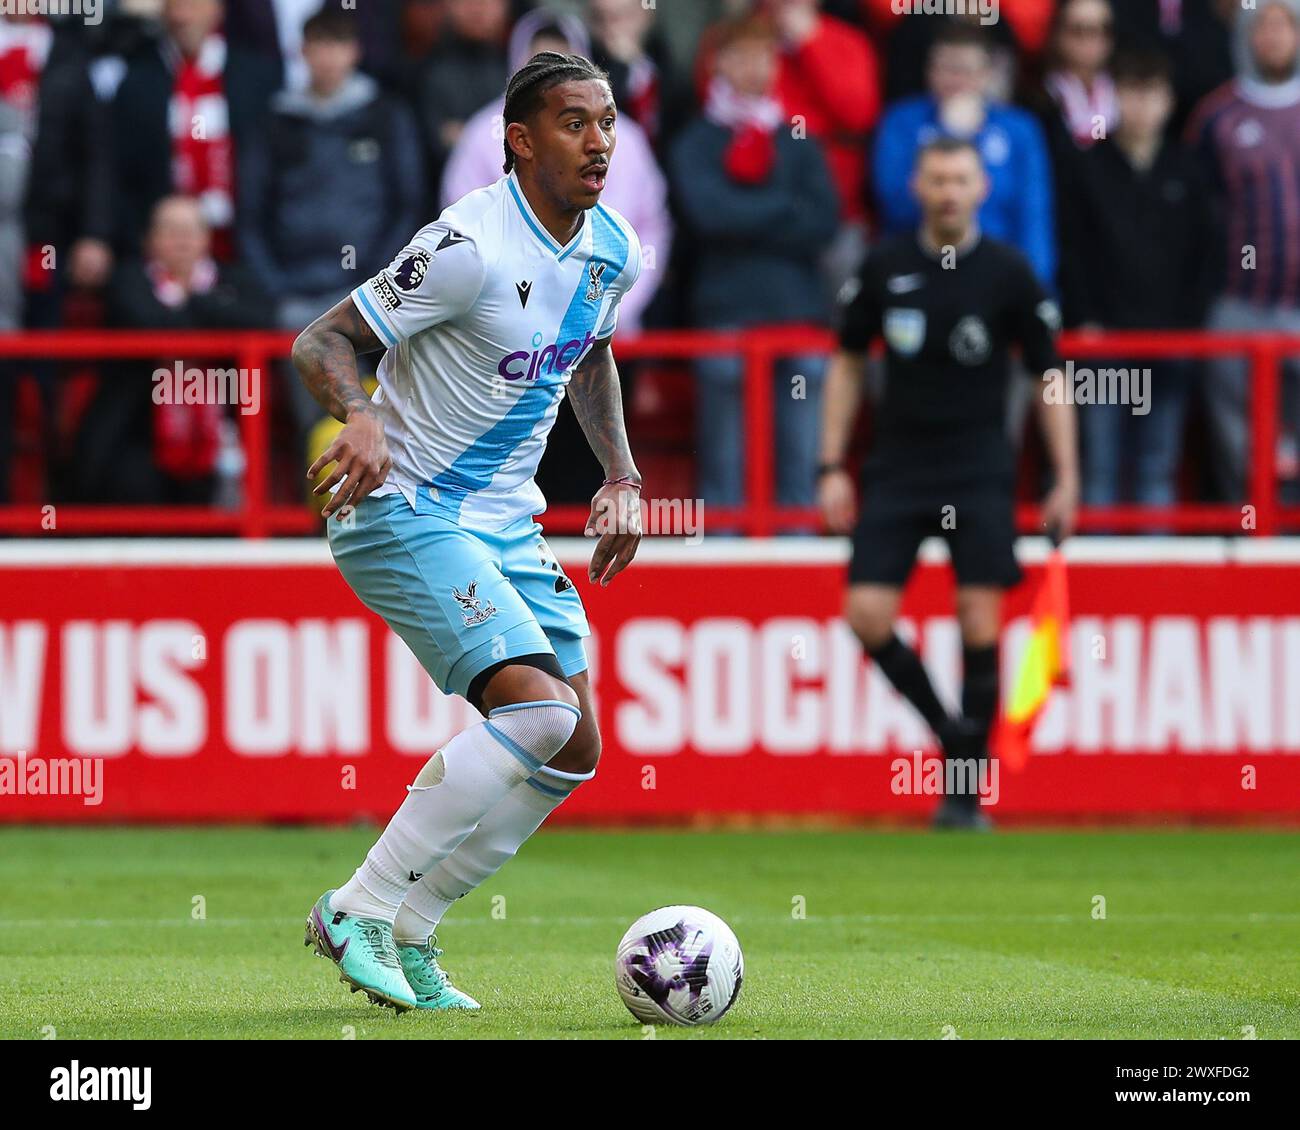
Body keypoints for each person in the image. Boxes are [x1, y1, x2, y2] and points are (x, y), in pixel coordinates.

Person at [292, 52, 644, 1011]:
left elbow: (592, 351)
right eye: (575, 123)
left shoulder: (614, 246)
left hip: (504, 521)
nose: (599, 142)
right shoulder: (466, 246)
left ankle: (414, 929)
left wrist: (619, 473)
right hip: (402, 505)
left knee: (574, 746)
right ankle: (358, 907)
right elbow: (321, 339)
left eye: (607, 122)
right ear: (521, 141)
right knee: (534, 710)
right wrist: (357, 417)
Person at [818, 138, 1078, 830]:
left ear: (982, 188)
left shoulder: (1010, 273)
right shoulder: (885, 266)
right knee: (866, 614)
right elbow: (845, 365)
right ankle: (954, 735)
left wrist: (1065, 476)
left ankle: (963, 797)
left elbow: (1049, 374)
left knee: (978, 621)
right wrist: (829, 464)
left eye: (961, 179)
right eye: (937, 179)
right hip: (898, 466)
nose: (949, 191)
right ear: (918, 186)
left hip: (979, 466)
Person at [670, 14, 839, 521]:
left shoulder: (798, 139)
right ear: (718, 63)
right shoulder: (696, 140)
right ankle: (722, 559)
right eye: (741, 55)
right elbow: (707, 215)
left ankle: (800, 558)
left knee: (801, 462)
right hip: (726, 315)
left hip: (798, 317)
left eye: (764, 56)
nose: (754, 67)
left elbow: (826, 220)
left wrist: (746, 218)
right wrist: (783, 208)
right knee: (724, 464)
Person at [238, 7, 423, 447]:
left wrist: (382, 284)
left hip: (372, 294)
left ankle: (381, 493)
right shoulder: (275, 122)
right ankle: (321, 505)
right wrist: (277, 288)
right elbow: (251, 216)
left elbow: (408, 204)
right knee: (318, 419)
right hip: (296, 297)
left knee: (385, 416)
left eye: (336, 45)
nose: (327, 57)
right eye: (318, 45)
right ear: (302, 51)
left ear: (354, 51)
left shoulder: (385, 115)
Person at [1058, 49, 1216, 513]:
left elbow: (1208, 255)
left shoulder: (1188, 169)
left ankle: (1159, 581)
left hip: (1170, 342)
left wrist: (1189, 326)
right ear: (1114, 97)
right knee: (1100, 466)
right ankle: (1092, 581)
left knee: (1156, 464)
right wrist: (1084, 318)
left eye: (1152, 93)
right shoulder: (1086, 165)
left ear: (1168, 101)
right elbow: (1071, 250)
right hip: (1102, 344)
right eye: (1131, 91)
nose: (1142, 105)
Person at [1186, 0, 1300, 502]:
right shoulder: (1217, 115)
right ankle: (1251, 534)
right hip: (1238, 300)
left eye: (1284, 26)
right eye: (1264, 26)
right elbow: (1192, 212)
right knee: (1239, 437)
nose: (1273, 37)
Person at [873, 21, 1057, 288]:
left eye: (966, 70)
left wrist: (1034, 285)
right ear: (929, 70)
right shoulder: (901, 123)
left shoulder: (1020, 129)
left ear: (986, 74)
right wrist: (950, 134)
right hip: (919, 269)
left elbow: (1033, 216)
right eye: (946, 68)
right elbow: (896, 207)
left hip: (998, 273)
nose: (955, 81)